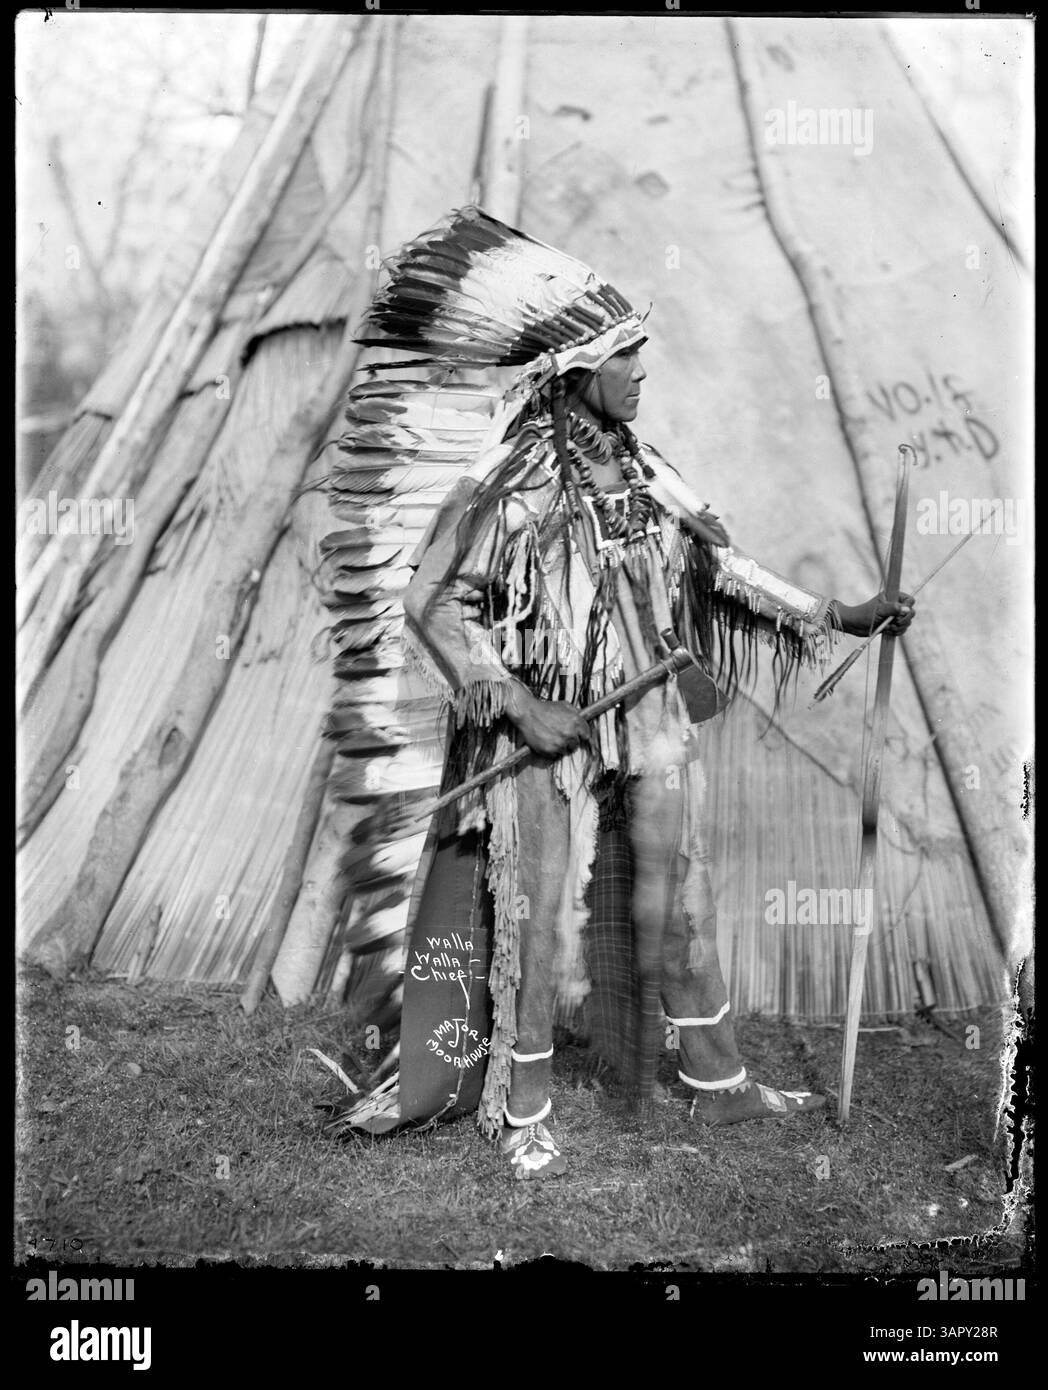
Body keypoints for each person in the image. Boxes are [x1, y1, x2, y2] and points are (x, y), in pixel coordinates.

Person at [324, 207, 915, 1179]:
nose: (643, 373)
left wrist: (835, 614)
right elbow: (432, 602)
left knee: (678, 899)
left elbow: (721, 566)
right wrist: (513, 701)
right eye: (627, 358)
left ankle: (718, 1085)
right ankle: (522, 1111)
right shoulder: (509, 484)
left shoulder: (643, 470)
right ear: (578, 372)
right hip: (550, 722)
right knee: (536, 910)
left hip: (643, 715)